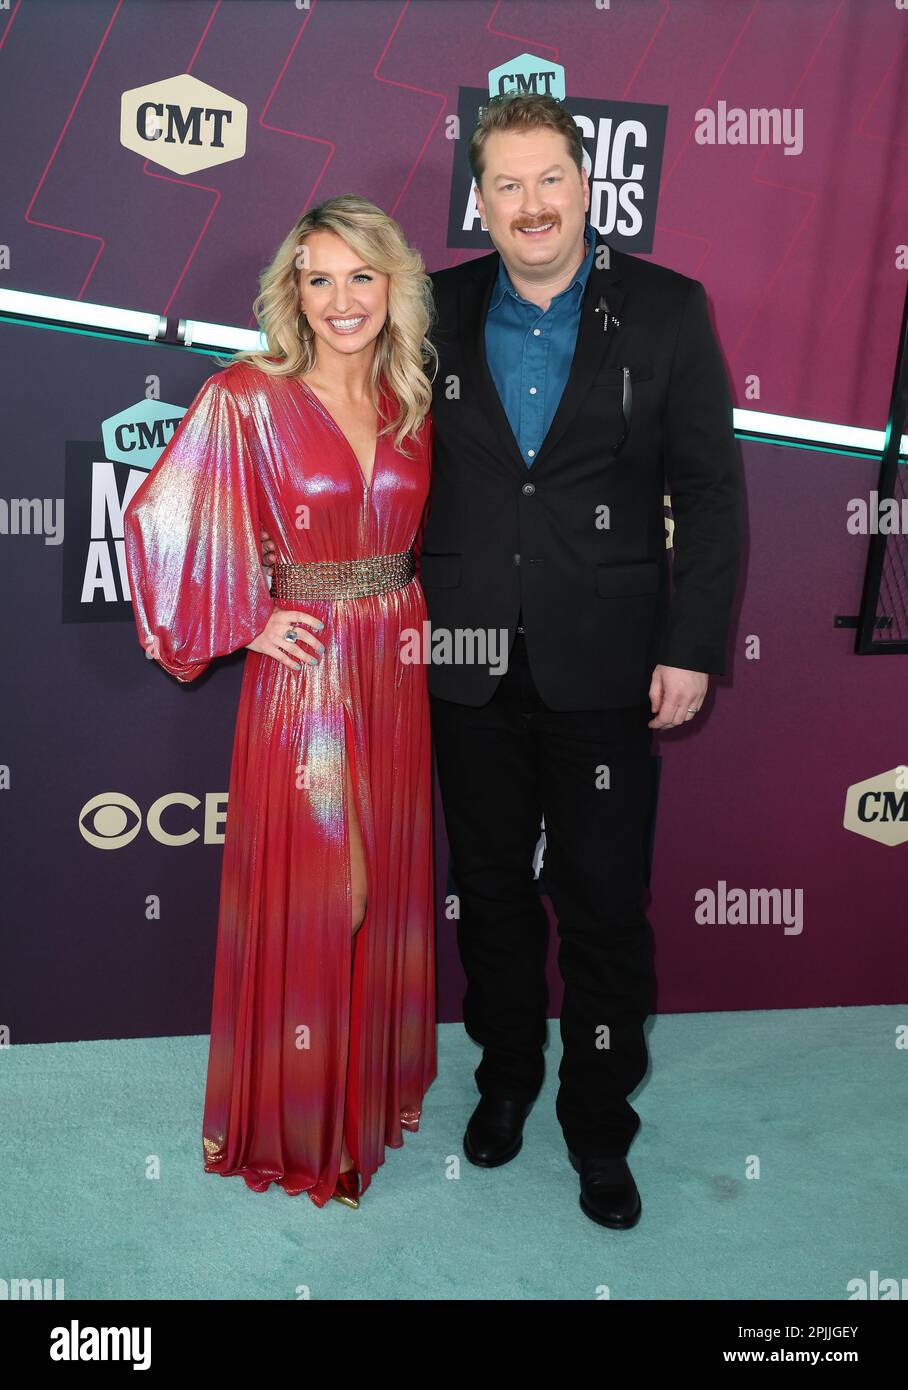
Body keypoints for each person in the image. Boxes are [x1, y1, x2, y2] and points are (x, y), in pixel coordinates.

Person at [261, 93, 743, 1230]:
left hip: (608, 663)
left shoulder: (669, 310)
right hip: (462, 658)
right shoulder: (434, 306)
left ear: (587, 186)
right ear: (479, 199)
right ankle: (507, 1076)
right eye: (505, 185)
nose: (528, 205)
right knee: (487, 892)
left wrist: (689, 647)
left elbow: (709, 493)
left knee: (602, 904)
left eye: (548, 180)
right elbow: (322, 388)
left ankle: (596, 1115)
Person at [124, 195, 437, 1209]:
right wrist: (242, 617)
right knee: (328, 893)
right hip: (304, 676)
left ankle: (362, 1102)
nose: (341, 298)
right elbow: (165, 515)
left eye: (360, 276)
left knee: (379, 887)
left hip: (393, 662)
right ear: (291, 293)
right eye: (318, 277)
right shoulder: (247, 395)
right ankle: (304, 1128)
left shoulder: (411, 399)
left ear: (392, 286)